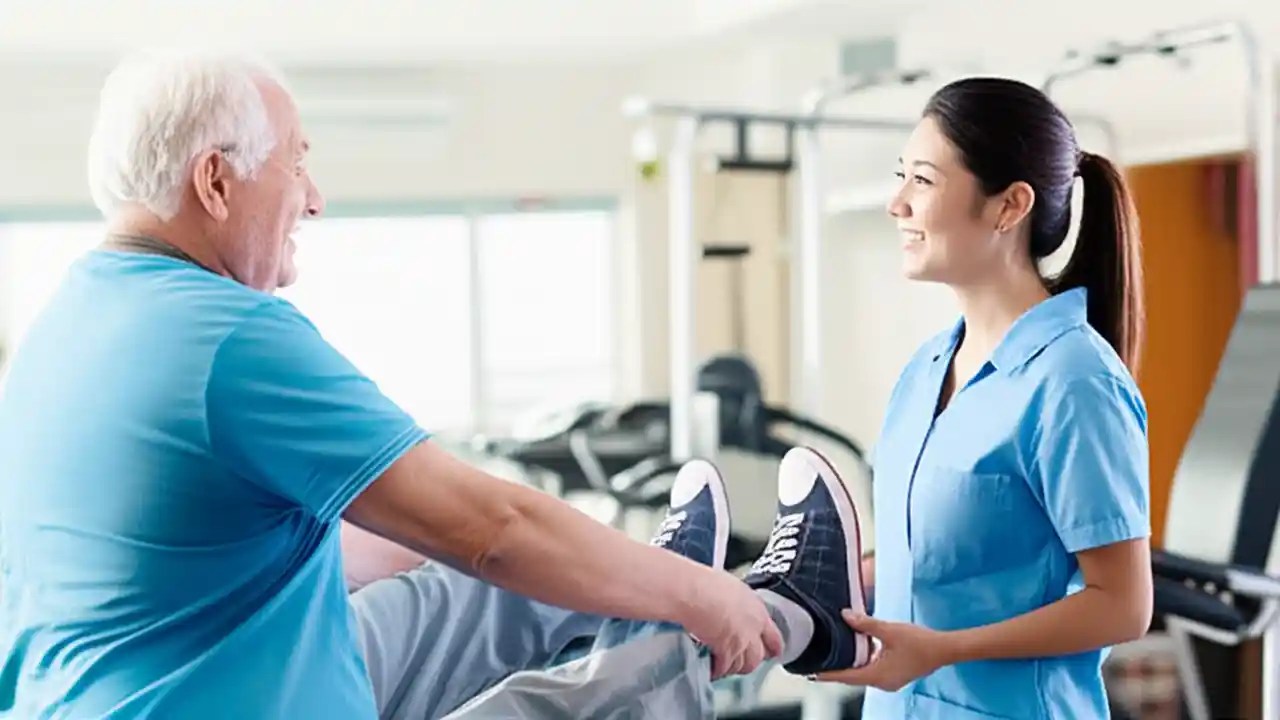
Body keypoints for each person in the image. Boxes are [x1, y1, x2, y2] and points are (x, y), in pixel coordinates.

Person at [0, 49, 782, 719]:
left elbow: (256, 546)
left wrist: (611, 571)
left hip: (169, 677)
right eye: (296, 162)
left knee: (485, 589)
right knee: (556, 687)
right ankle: (740, 617)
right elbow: (496, 530)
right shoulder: (227, 335)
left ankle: (659, 578)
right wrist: (698, 598)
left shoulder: (63, 329)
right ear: (214, 181)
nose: (313, 196)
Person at [816, 77, 1154, 719]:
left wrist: (944, 649)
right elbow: (929, 555)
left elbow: (1123, 603)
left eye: (923, 180)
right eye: (901, 176)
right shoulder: (926, 369)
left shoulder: (1074, 381)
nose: (897, 203)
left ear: (1008, 206)